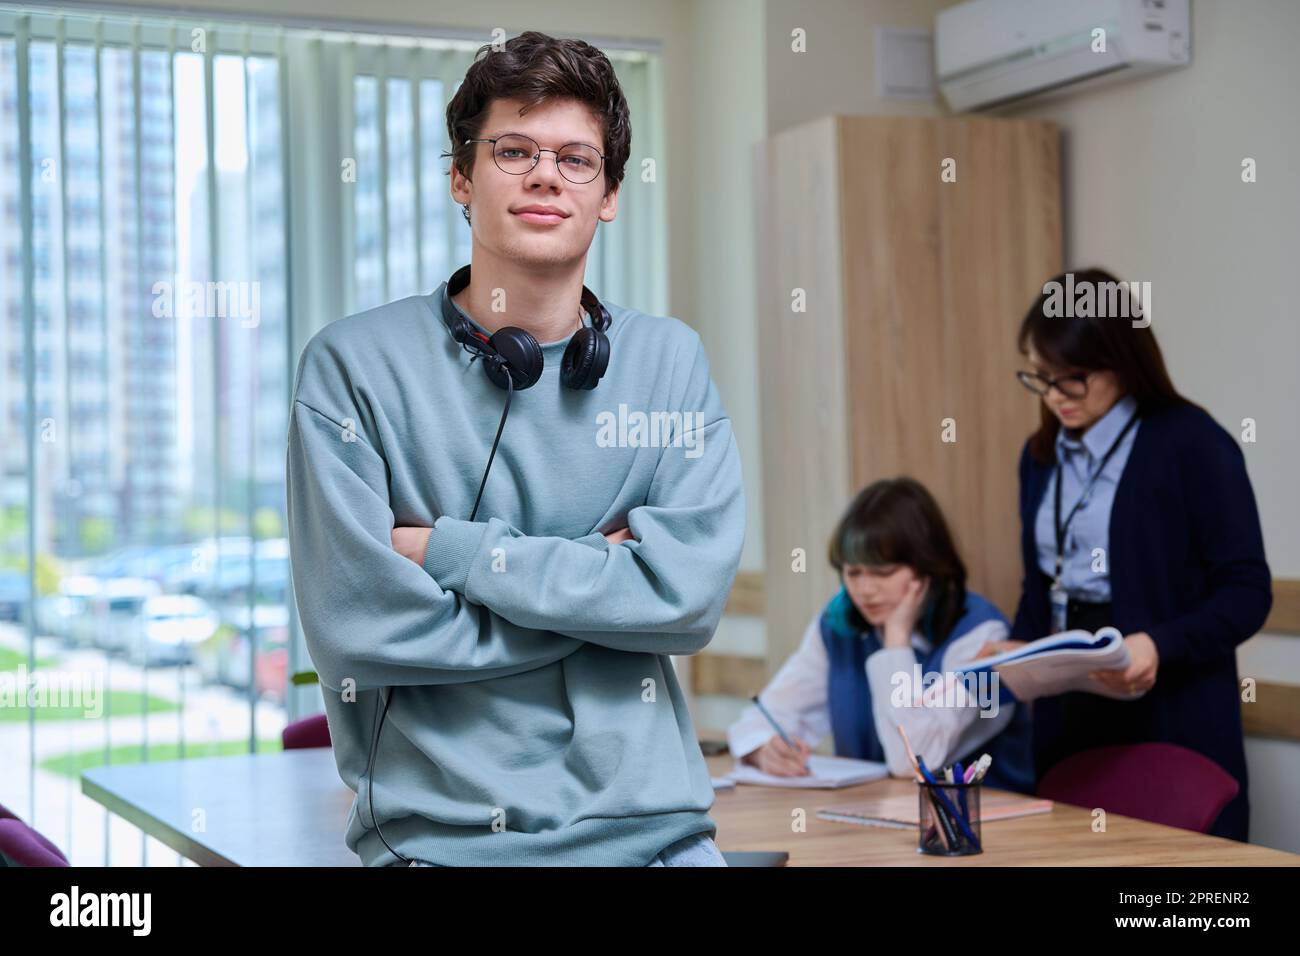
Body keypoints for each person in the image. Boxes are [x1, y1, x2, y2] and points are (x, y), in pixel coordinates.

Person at [286, 31, 744, 866]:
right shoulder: (352, 367)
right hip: (447, 848)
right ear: (462, 177)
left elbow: (684, 604)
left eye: (577, 158)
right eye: (513, 150)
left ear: (608, 194)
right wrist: (604, 600)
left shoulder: (669, 362)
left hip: (662, 841)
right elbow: (361, 630)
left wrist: (450, 553)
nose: (546, 175)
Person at [1007, 267, 1271, 840]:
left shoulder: (1191, 443)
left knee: (1172, 895)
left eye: (1071, 378)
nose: (1054, 397)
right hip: (1070, 717)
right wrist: (1014, 652)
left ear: (1122, 360)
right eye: (1040, 377)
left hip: (1169, 707)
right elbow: (1042, 586)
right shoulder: (1040, 457)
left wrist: (1160, 643)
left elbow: (1247, 591)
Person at [727, 478, 1036, 795]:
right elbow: (763, 718)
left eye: (883, 572)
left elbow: (911, 760)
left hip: (984, 828)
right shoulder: (838, 625)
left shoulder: (980, 635)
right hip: (873, 818)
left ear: (926, 569)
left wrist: (896, 640)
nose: (865, 590)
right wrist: (763, 749)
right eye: (853, 572)